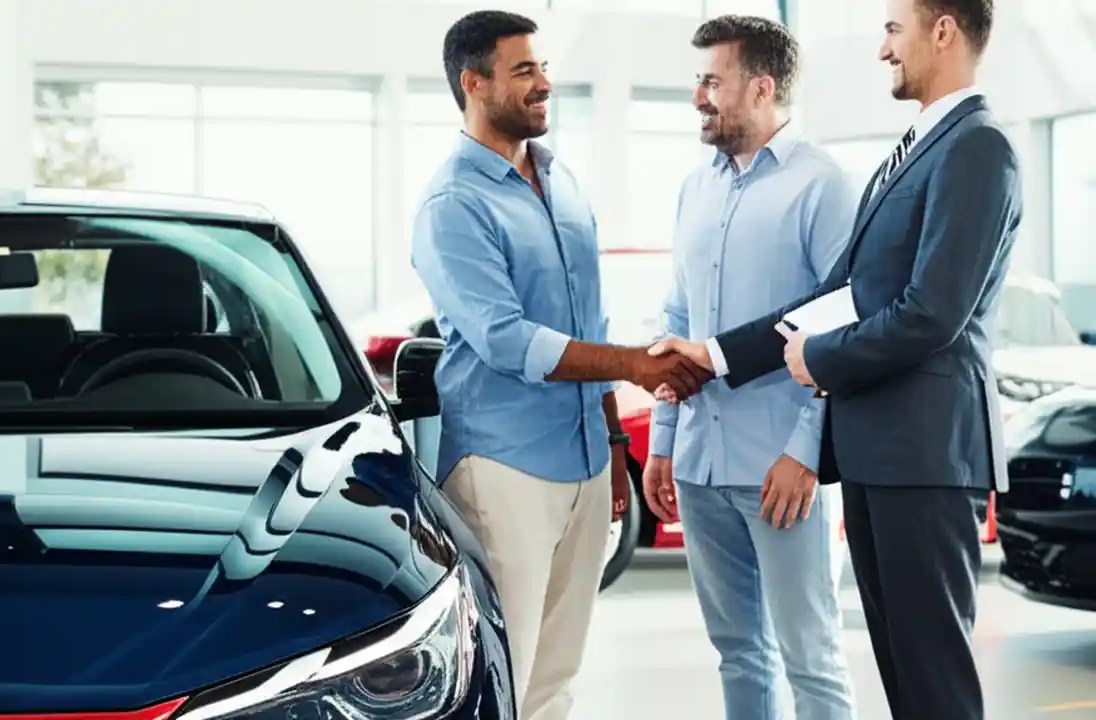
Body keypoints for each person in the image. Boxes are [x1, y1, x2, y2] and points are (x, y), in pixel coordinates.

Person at [653, 1, 1017, 718]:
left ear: (942, 30)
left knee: (933, 681)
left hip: (927, 455)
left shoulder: (979, 147)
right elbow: (840, 296)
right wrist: (716, 355)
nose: (883, 50)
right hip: (883, 454)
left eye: (892, 29)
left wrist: (816, 360)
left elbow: (932, 314)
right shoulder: (911, 152)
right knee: (906, 676)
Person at [410, 10, 710, 720]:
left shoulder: (561, 179)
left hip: (579, 459)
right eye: (524, 71)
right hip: (503, 465)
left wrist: (609, 440)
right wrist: (636, 366)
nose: (545, 84)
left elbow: (587, 322)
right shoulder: (453, 203)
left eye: (543, 68)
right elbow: (506, 340)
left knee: (556, 675)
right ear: (473, 83)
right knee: (501, 673)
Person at [640, 15, 857, 720]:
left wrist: (806, 452)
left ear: (762, 87)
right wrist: (665, 444)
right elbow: (679, 321)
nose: (699, 97)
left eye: (713, 81)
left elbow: (840, 322)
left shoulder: (823, 185)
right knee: (738, 649)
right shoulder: (693, 188)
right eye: (697, 81)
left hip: (780, 471)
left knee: (811, 657)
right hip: (702, 465)